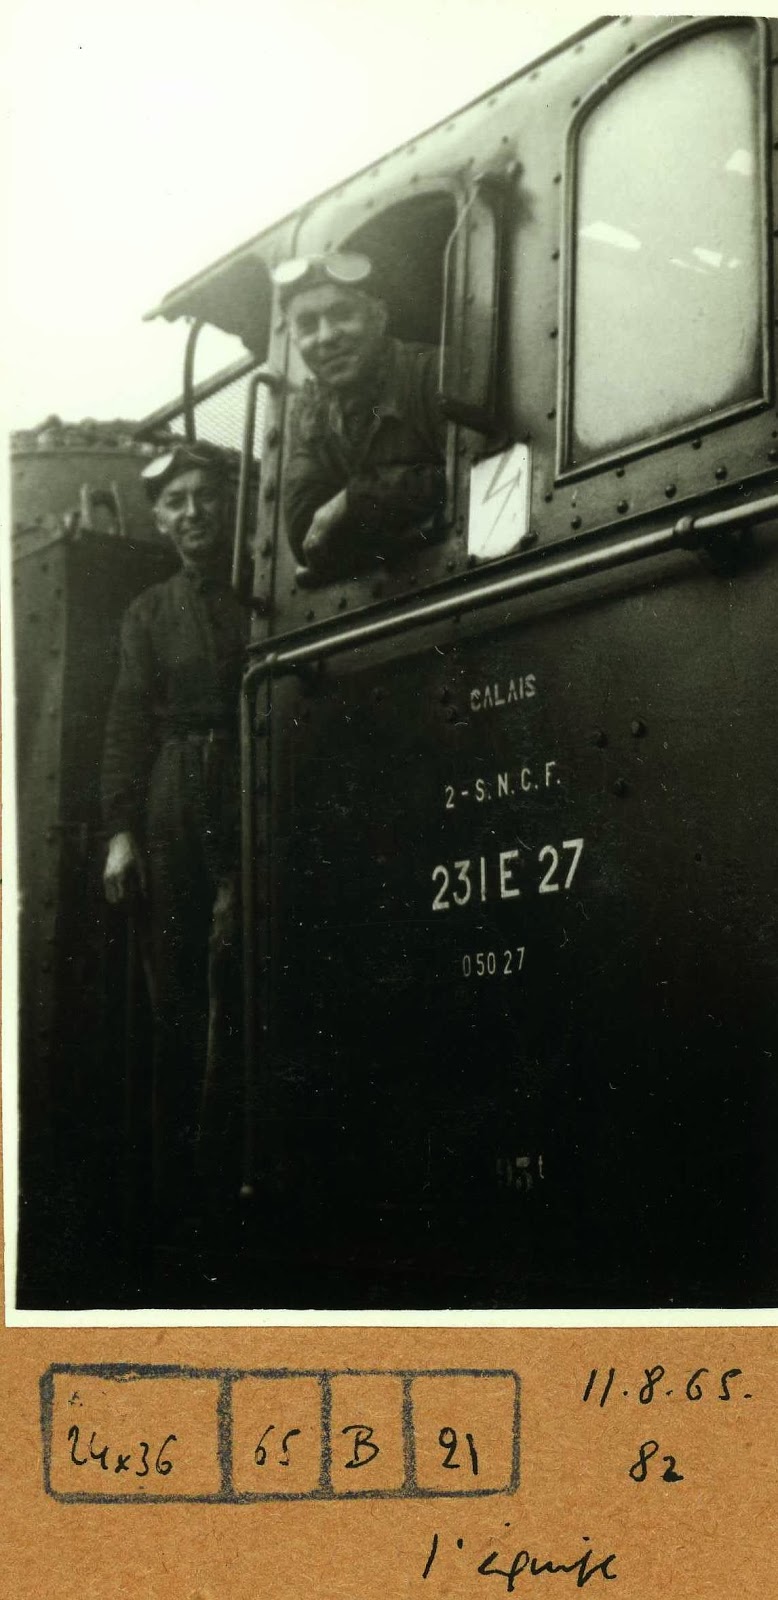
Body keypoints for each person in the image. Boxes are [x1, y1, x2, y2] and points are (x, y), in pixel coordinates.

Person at [101, 440, 247, 1224]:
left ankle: (239, 1173)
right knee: (178, 991)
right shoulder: (149, 612)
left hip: (248, 772)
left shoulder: (258, 588)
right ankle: (178, 1196)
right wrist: (121, 831)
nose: (193, 513)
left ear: (227, 503)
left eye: (204, 496)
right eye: (176, 503)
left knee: (244, 968)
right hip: (171, 800)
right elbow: (128, 721)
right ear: (160, 520)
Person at [276, 251, 448, 584]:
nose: (326, 336)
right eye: (308, 325)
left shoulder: (433, 373)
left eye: (341, 314)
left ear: (379, 318)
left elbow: (474, 479)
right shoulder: (311, 412)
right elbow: (304, 533)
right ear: (295, 339)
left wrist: (352, 501)